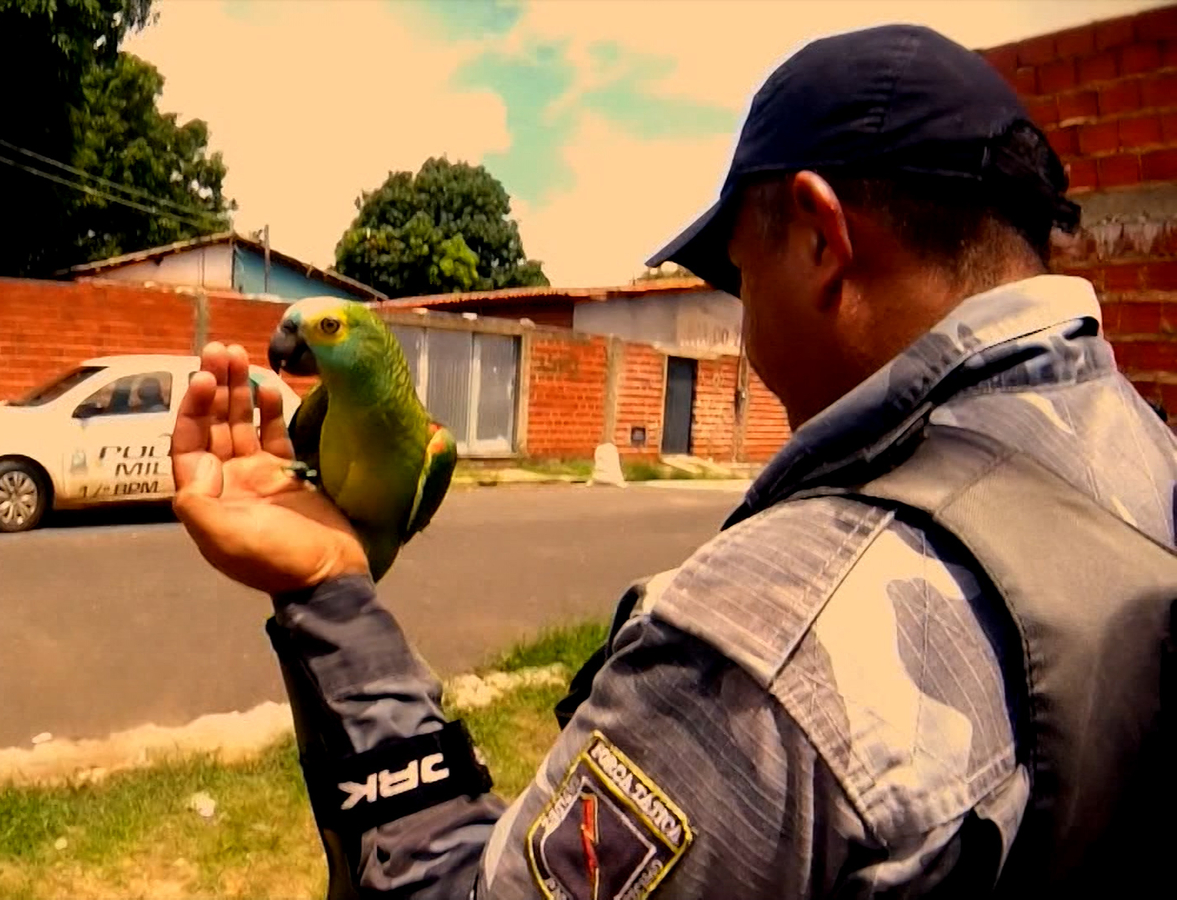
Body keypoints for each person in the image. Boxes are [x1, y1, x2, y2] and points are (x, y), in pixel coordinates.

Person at [167, 23, 1177, 900]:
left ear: (821, 240)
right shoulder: (1146, 463)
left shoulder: (776, 647)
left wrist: (328, 592)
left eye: (742, 274)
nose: (742, 324)